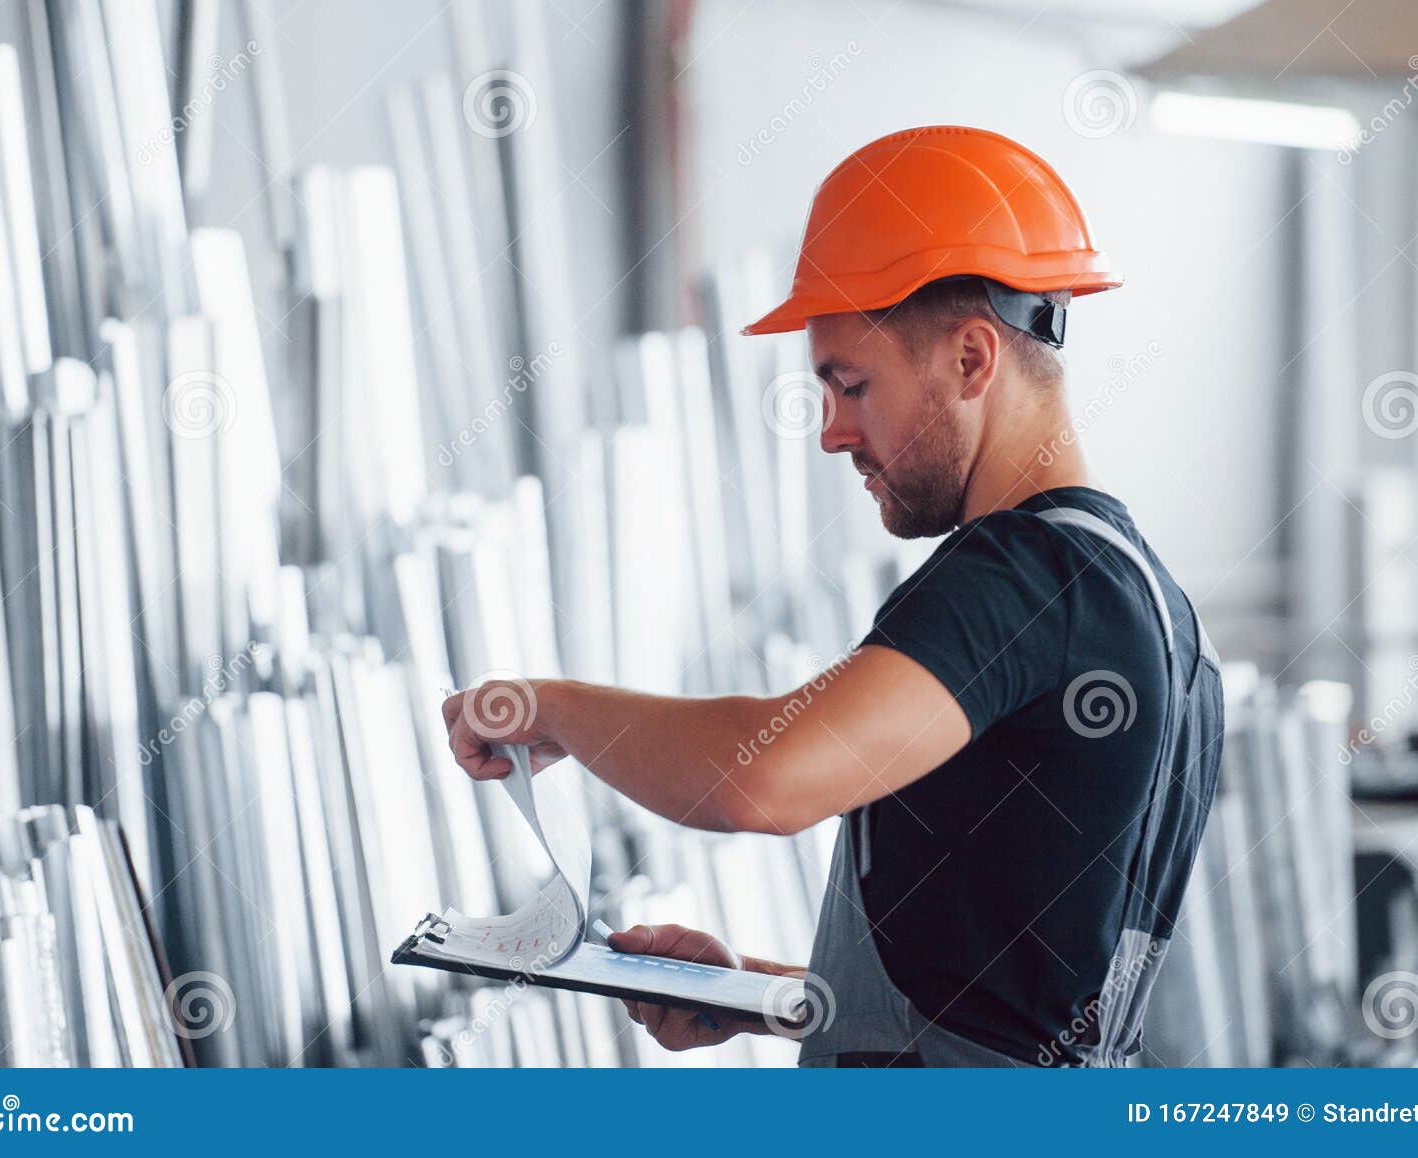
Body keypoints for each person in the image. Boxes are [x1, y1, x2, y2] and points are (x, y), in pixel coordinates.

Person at [442, 126, 1223, 1067]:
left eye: (852, 386)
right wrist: (768, 994)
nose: (832, 433)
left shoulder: (1020, 578)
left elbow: (759, 778)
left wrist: (550, 708)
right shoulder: (1158, 610)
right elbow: (1009, 1010)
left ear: (972, 361)